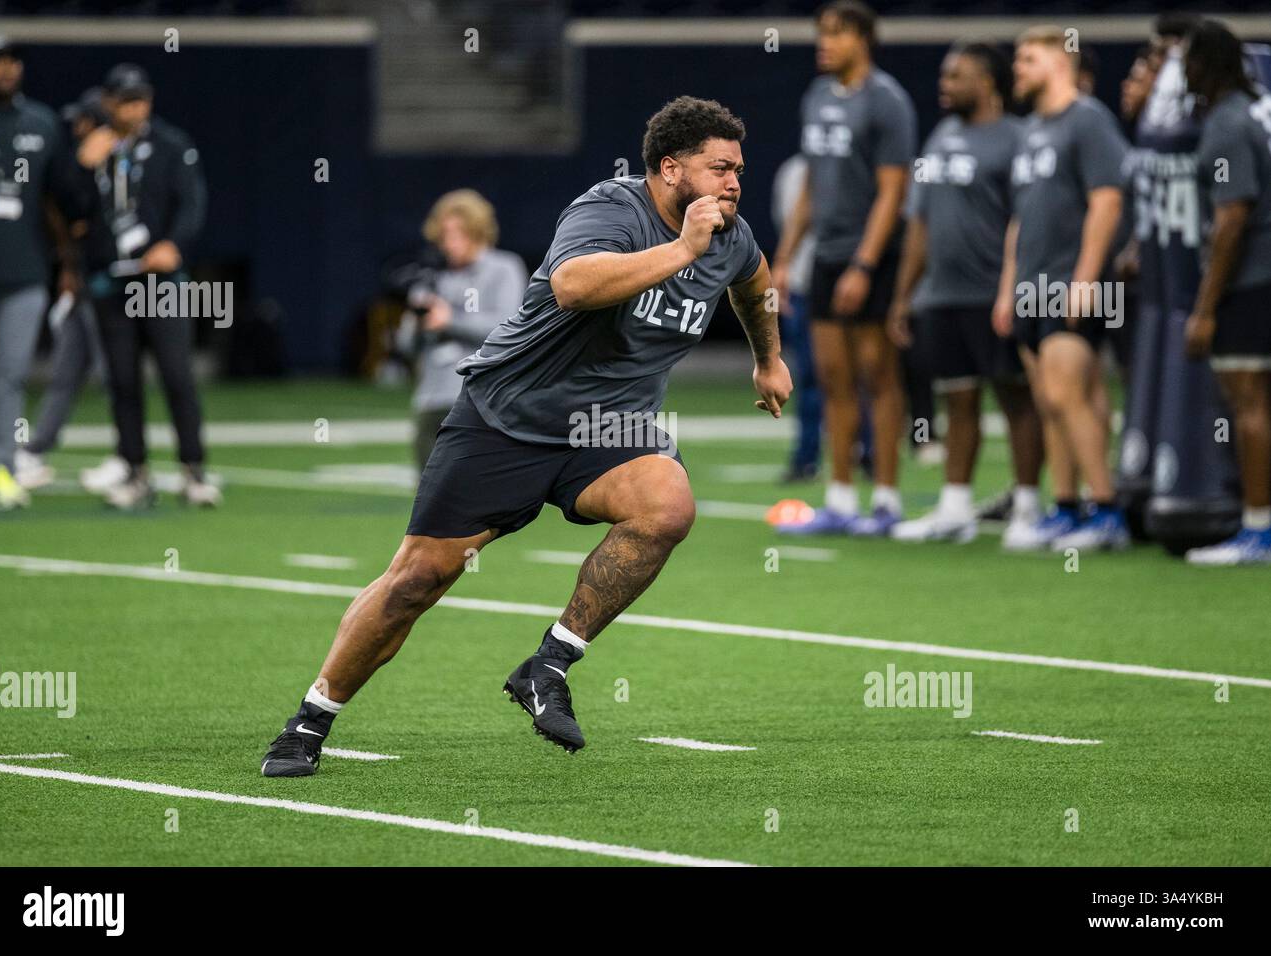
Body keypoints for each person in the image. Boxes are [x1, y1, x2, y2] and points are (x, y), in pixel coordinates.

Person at [259, 96, 792, 775]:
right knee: (418, 579)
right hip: (510, 414)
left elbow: (755, 283)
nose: (734, 183)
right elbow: (573, 285)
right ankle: (310, 719)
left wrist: (767, 357)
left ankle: (549, 664)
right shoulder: (610, 208)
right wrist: (680, 248)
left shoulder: (732, 237)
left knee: (668, 507)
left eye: (738, 169)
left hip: (607, 425)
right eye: (719, 168)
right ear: (668, 169)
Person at [887, 42, 1043, 544]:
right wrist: (904, 295)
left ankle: (1028, 506)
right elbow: (920, 222)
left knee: (1017, 397)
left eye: (958, 75)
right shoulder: (940, 137)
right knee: (958, 398)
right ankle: (954, 508)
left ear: (989, 82)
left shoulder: (1019, 138)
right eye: (945, 73)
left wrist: (1014, 288)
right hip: (942, 295)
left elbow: (1030, 219)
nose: (946, 83)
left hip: (993, 294)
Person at [773, 0, 916, 536]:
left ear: (862, 38)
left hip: (870, 258)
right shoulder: (816, 96)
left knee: (877, 376)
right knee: (831, 376)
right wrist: (786, 255)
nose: (823, 44)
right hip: (827, 257)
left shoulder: (887, 102)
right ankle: (838, 499)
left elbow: (892, 191)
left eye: (835, 34)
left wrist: (865, 263)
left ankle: (885, 499)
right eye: (820, 34)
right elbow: (810, 184)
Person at [995, 26, 1130, 552]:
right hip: (1031, 286)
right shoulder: (1031, 130)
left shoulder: (1088, 120)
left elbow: (1108, 200)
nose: (1018, 69)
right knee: (1049, 400)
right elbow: (1019, 219)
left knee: (1068, 393)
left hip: (1071, 283)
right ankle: (1066, 506)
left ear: (1059, 61)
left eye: (1028, 59)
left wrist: (1086, 279)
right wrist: (1008, 289)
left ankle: (1108, 509)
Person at [72, 63, 215, 509]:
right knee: (122, 381)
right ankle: (135, 472)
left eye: (142, 99)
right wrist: (82, 167)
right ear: (109, 103)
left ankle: (194, 471)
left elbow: (191, 203)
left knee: (177, 376)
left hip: (162, 281)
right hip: (110, 282)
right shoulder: (94, 149)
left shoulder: (172, 145)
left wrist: (173, 244)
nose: (135, 108)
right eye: (126, 100)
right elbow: (70, 211)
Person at [1182, 20, 1271, 565]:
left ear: (1203, 65)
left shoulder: (1226, 124)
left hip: (1253, 279)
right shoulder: (1262, 111)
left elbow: (1233, 216)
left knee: (1249, 401)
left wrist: (1205, 307)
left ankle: (1259, 528)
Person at [0, 36, 74, 510]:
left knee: (10, 375)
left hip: (26, 272)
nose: (7, 69)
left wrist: (68, 263)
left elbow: (59, 202)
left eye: (13, 61)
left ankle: (2, 468)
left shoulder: (42, 123)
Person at [15, 87, 109, 490]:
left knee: (114, 373)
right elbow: (65, 215)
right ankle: (37, 448)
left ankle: (128, 455)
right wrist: (69, 267)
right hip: (85, 279)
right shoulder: (76, 166)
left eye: (82, 121)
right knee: (67, 370)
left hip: (114, 286)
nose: (76, 128)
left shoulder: (118, 163)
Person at [405, 189, 525, 471]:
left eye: (458, 233)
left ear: (478, 231)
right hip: (432, 397)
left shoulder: (504, 269)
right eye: (445, 234)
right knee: (429, 496)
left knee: (482, 492)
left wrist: (450, 321)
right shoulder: (431, 276)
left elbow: (507, 328)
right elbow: (404, 346)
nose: (450, 243)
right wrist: (417, 318)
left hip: (483, 398)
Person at [770, 153, 823, 482]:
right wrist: (785, 265)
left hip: (843, 279)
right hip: (804, 282)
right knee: (809, 377)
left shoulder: (859, 165)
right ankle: (807, 457)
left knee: (860, 377)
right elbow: (790, 219)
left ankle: (869, 456)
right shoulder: (793, 172)